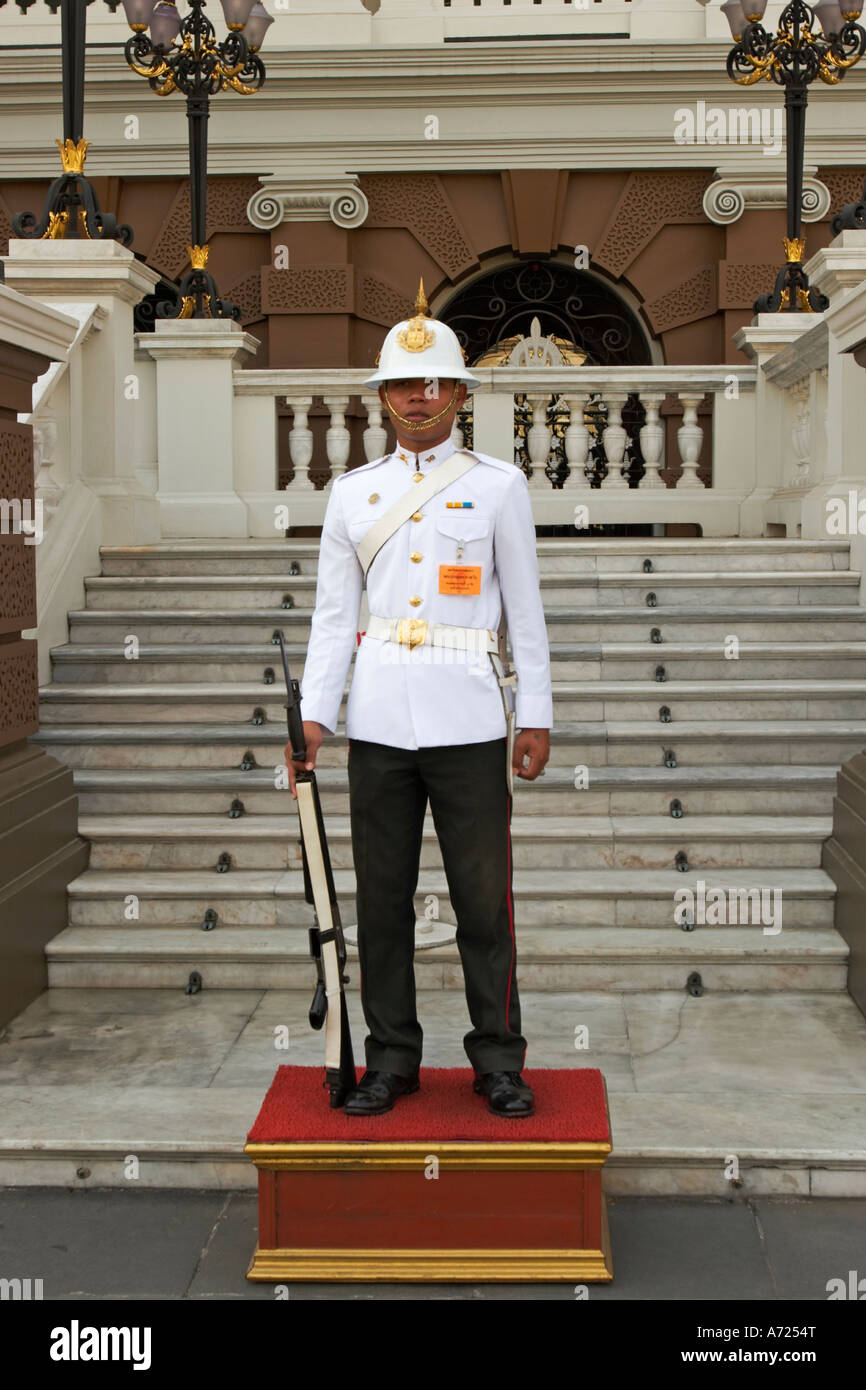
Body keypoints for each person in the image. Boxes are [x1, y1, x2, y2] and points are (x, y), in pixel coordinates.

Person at [286, 281, 552, 1118]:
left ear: (461, 395)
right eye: (406, 386)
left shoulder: (500, 486)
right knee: (383, 900)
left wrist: (535, 713)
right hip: (378, 721)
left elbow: (525, 610)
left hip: (470, 716)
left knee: (483, 900)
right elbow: (335, 618)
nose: (421, 399)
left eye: (437, 384)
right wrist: (314, 713)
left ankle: (498, 1060)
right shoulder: (353, 494)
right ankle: (392, 1057)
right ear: (384, 397)